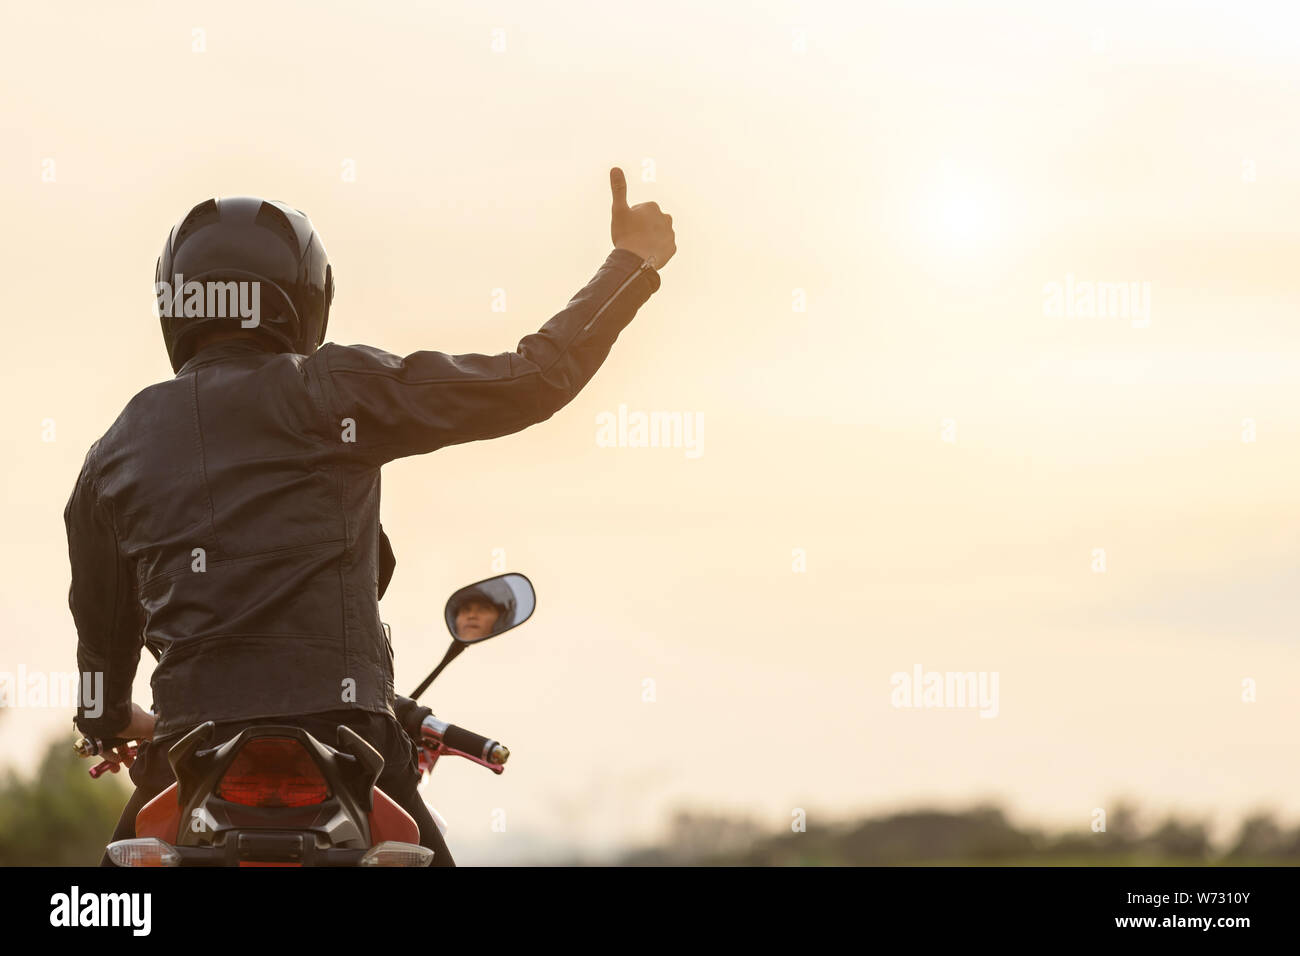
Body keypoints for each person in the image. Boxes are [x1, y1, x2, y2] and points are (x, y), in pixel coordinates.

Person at [65, 168, 675, 866]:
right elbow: (532, 379)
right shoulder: (333, 390)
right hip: (352, 738)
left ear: (176, 302)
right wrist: (631, 263)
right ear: (305, 296)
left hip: (189, 745)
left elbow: (101, 646)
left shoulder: (114, 451)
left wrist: (111, 722)